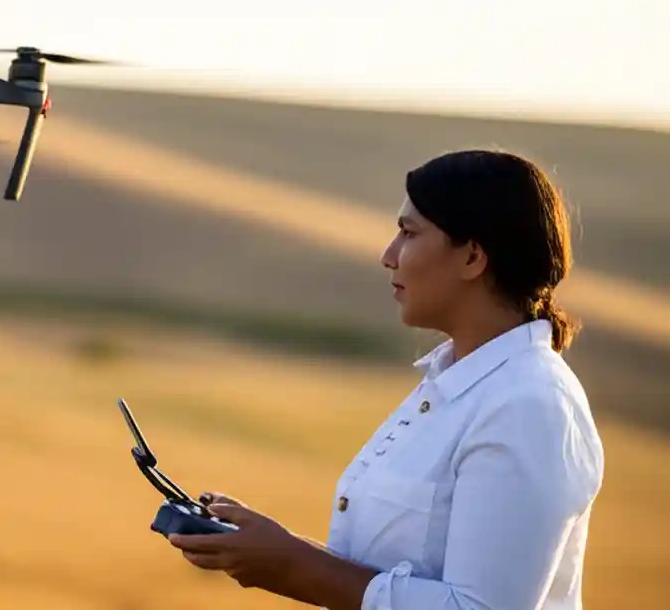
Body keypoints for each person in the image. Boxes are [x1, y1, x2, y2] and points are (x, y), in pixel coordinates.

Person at [168, 149, 605, 609]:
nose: (388, 255)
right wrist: (268, 546)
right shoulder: (456, 385)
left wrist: (289, 565)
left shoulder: (528, 405)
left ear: (473, 256)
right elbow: (391, 575)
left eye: (408, 232)